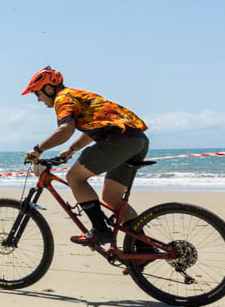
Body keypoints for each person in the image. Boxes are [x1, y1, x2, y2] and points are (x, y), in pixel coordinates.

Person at [22, 67, 150, 246]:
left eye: (37, 93)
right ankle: (144, 249)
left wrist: (38, 149)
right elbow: (96, 128)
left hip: (119, 140)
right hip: (138, 140)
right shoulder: (80, 95)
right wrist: (71, 149)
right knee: (112, 199)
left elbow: (65, 129)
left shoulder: (63, 98)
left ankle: (100, 230)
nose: (37, 99)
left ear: (49, 89)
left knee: (74, 177)